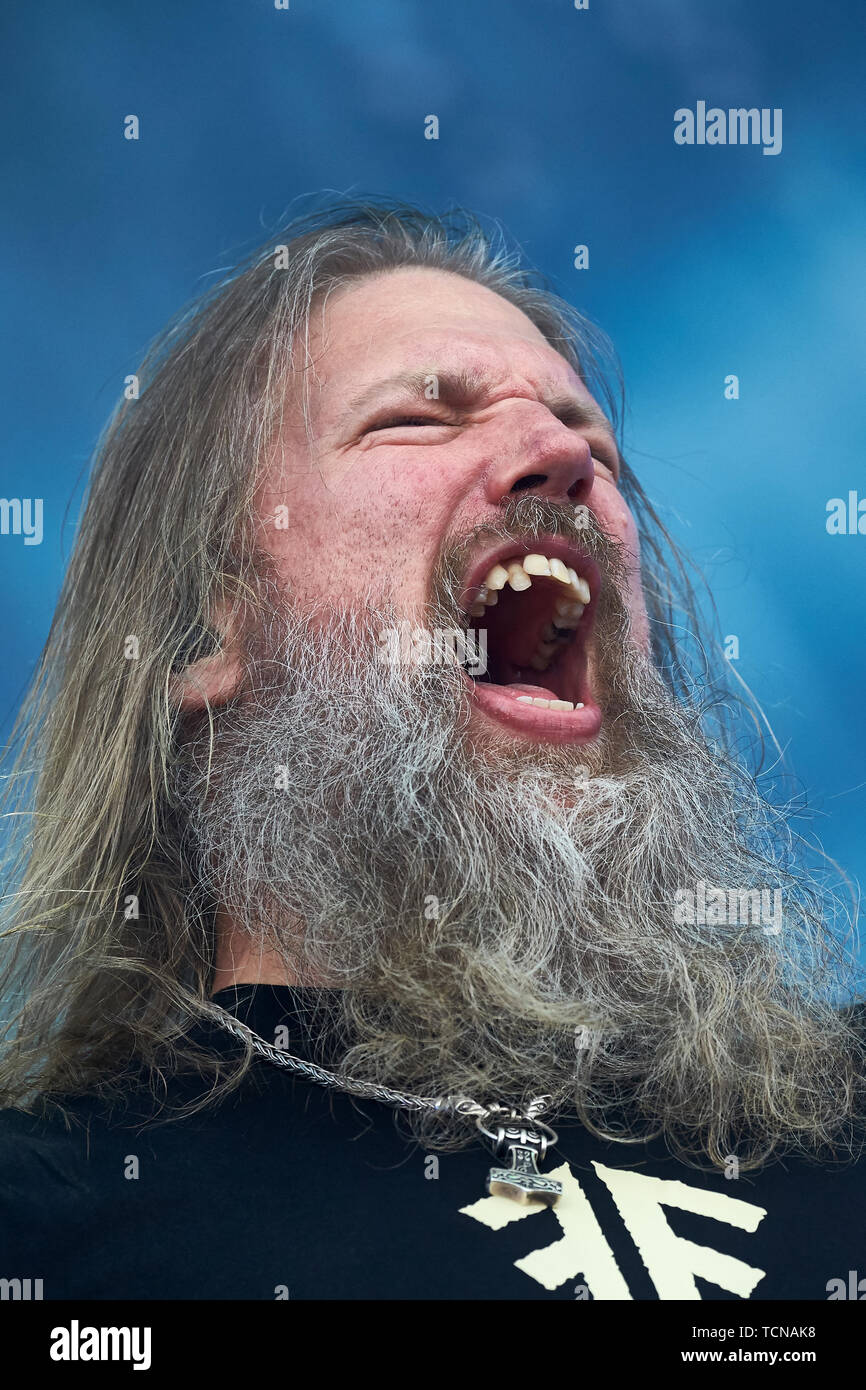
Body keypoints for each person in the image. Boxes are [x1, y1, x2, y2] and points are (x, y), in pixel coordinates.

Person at [0, 198, 863, 1302]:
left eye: (588, 437)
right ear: (203, 633)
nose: (559, 456)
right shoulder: (55, 1230)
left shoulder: (838, 1108)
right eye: (417, 419)